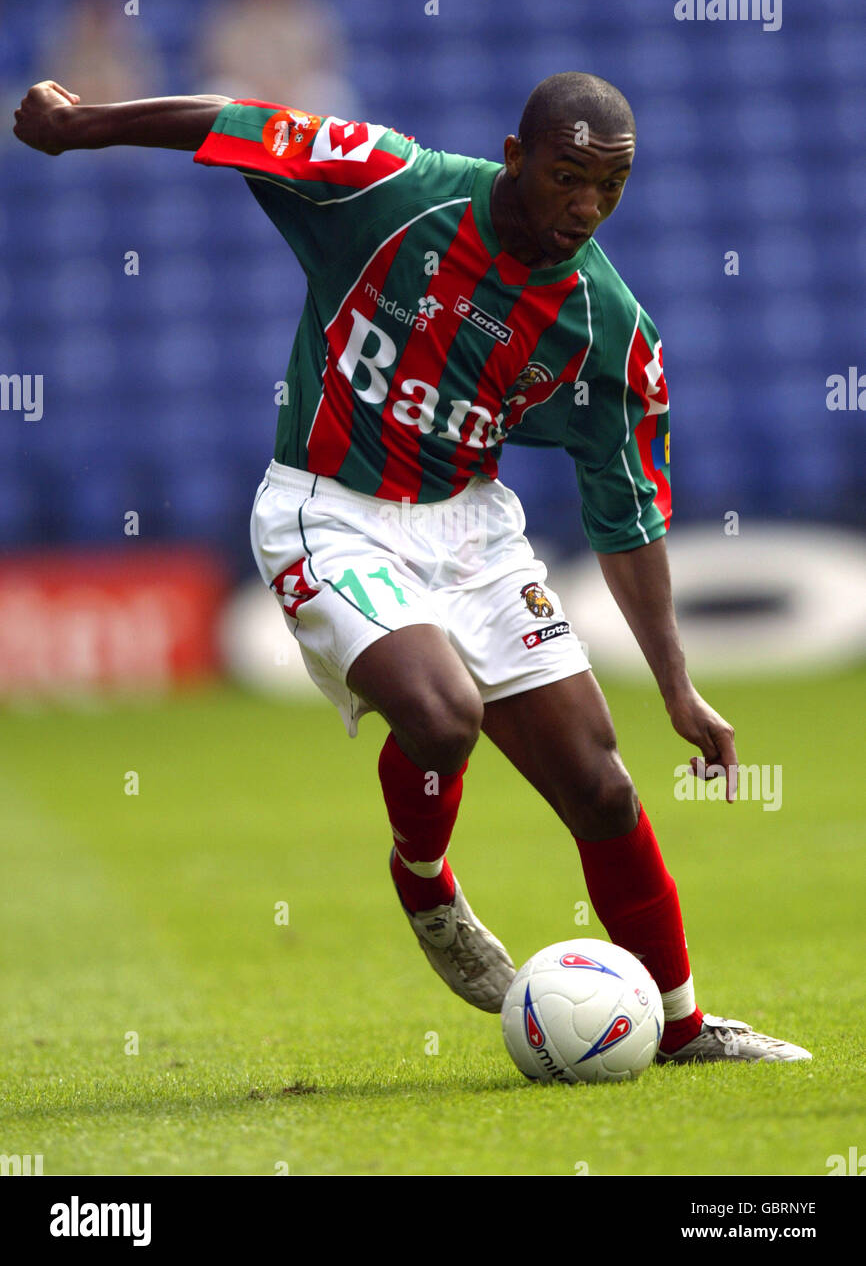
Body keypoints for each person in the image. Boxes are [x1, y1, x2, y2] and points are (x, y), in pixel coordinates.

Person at [14, 72, 810, 1064]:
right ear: (513, 158)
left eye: (609, 188)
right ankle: (425, 881)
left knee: (602, 789)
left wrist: (676, 687)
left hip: (470, 530)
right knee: (441, 717)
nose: (584, 207)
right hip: (327, 509)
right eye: (565, 178)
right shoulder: (392, 184)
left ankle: (682, 1027)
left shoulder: (607, 329)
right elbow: (239, 122)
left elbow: (627, 513)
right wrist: (82, 125)